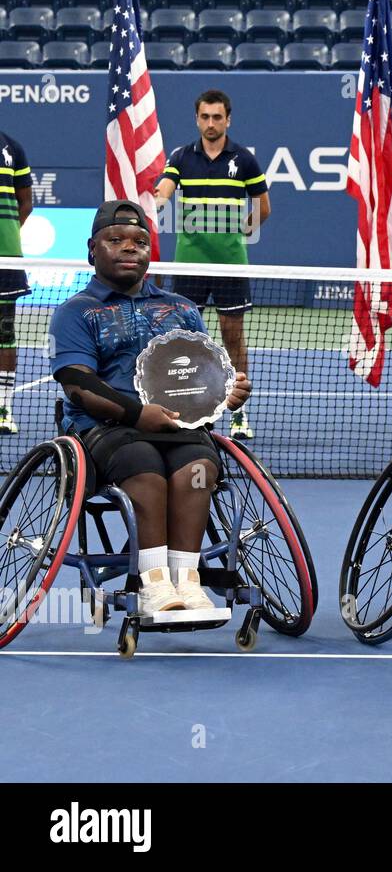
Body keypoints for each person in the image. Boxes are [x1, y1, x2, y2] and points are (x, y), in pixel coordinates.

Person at [48, 200, 253, 614]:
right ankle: (155, 583)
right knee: (144, 464)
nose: (129, 248)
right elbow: (78, 384)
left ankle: (188, 580)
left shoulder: (182, 308)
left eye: (139, 241)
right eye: (115, 240)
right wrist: (138, 414)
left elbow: (203, 371)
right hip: (107, 429)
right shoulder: (75, 312)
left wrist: (223, 392)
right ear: (92, 250)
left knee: (199, 467)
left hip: (180, 428)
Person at [154, 89, 269, 441]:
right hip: (190, 264)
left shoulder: (244, 160)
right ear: (197, 119)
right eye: (205, 117)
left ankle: (238, 412)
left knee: (232, 336)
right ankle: (188, 406)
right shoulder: (181, 157)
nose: (211, 123)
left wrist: (234, 235)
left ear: (228, 120)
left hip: (230, 265)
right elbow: (164, 189)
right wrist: (158, 199)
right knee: (188, 340)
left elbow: (263, 207)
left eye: (217, 117)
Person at [0, 130, 32, 434]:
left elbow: (26, 203)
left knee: (4, 332)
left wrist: (6, 231)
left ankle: (3, 409)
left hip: (4, 257)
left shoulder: (12, 147)